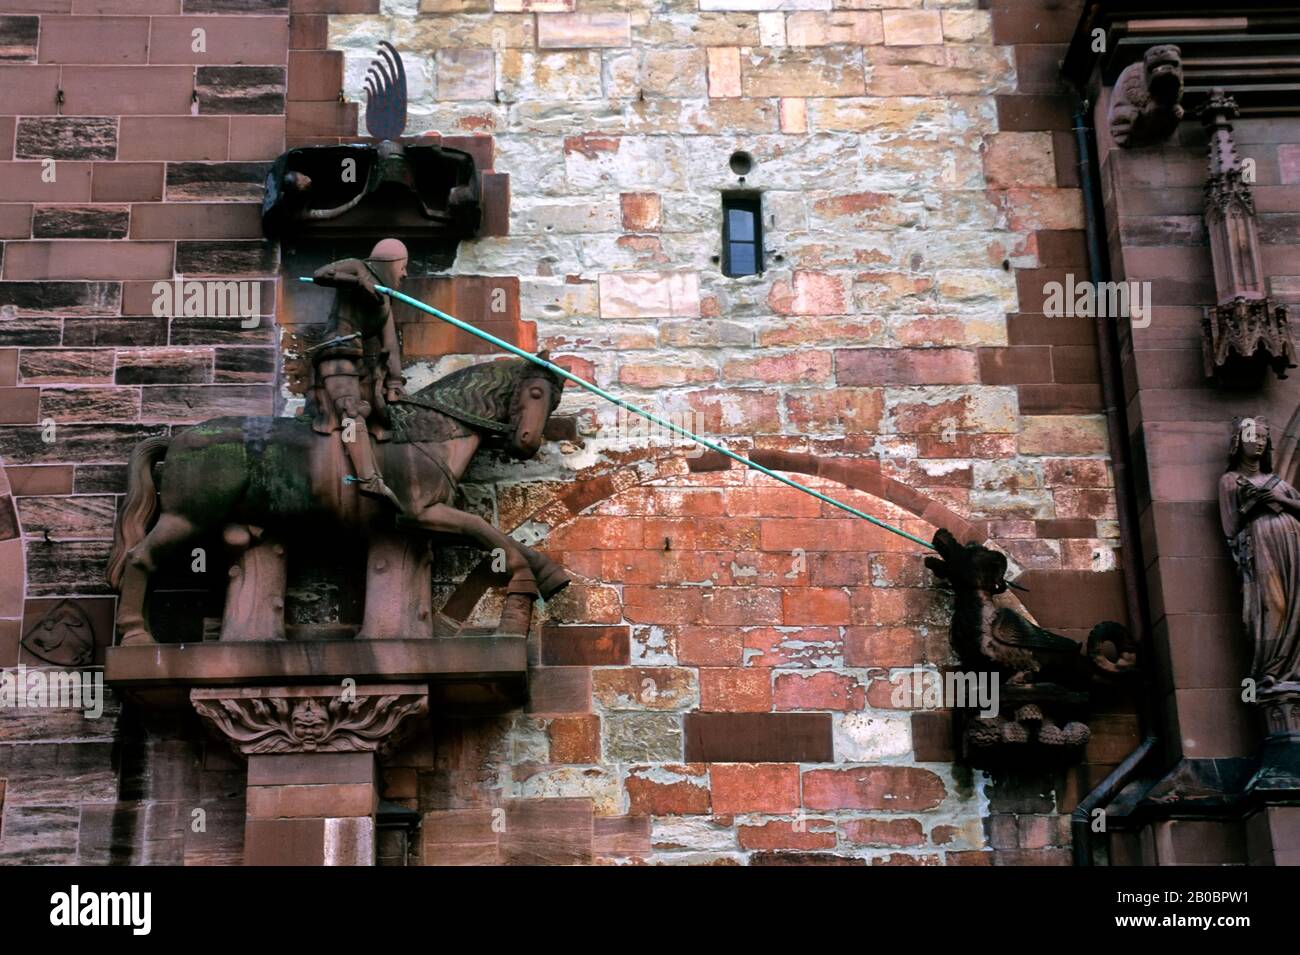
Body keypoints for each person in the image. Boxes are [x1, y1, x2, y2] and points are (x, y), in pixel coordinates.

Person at [309, 238, 410, 509]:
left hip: (361, 363)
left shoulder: (385, 301)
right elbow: (320, 274)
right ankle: (368, 479)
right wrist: (357, 281)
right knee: (351, 410)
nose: (405, 274)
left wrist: (395, 382)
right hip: (336, 354)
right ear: (391, 262)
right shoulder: (357, 266)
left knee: (381, 414)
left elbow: (390, 346)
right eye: (402, 266)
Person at [1219, 416, 1300, 695]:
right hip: (1261, 547)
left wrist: (1280, 500)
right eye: (1253, 438)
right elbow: (1230, 528)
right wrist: (1251, 504)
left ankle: (1293, 669)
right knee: (1272, 604)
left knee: (1296, 604)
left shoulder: (1277, 482)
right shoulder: (1230, 481)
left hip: (1292, 544)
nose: (1259, 443)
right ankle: (1270, 670)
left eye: (1264, 438)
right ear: (1239, 442)